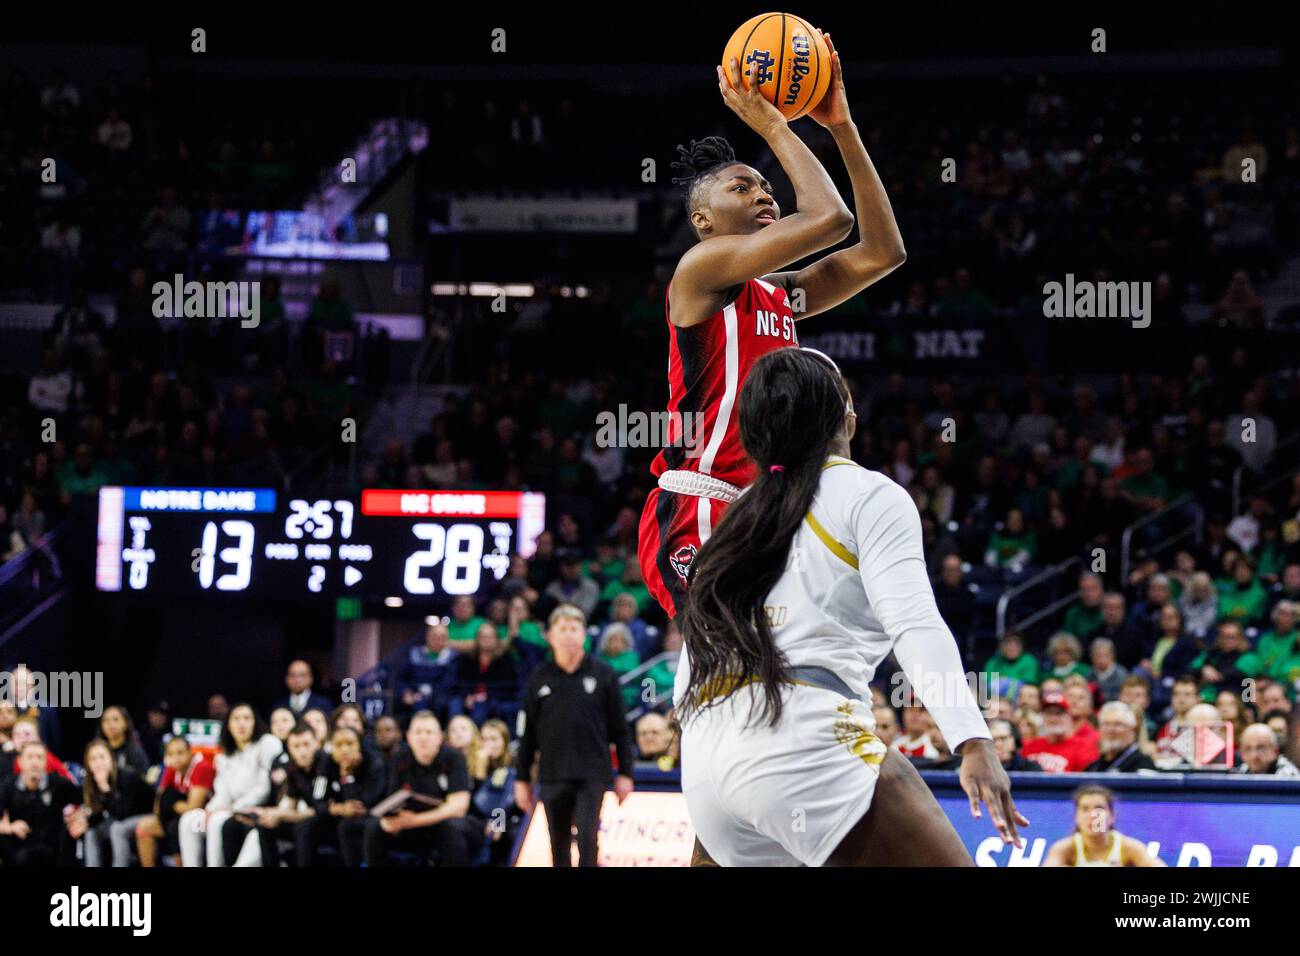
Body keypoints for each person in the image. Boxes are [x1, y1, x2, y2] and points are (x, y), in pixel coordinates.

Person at [676, 349, 1022, 866]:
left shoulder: (737, 518)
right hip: (798, 743)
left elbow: (691, 662)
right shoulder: (868, 493)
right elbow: (915, 624)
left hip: (705, 761)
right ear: (846, 413)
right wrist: (973, 740)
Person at [638, 31, 905, 621]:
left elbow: (883, 252)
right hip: (698, 508)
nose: (766, 194)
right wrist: (774, 126)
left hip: (765, 509)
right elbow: (831, 219)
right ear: (703, 219)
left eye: (765, 186)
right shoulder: (701, 272)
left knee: (772, 684)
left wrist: (841, 126)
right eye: (744, 186)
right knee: (728, 672)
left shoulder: (778, 293)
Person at [515, 604, 637, 867]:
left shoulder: (603, 674)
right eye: (563, 629)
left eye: (574, 629)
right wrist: (521, 778)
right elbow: (527, 735)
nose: (569, 635)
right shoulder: (538, 678)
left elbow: (620, 729)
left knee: (587, 838)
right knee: (557, 844)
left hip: (592, 774)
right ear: (550, 636)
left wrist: (626, 773)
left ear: (584, 635)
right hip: (552, 774)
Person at [362, 711, 478, 867]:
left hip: (445, 823)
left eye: (429, 732)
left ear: (439, 737)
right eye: (418, 732)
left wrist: (414, 821)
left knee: (451, 827)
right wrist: (390, 821)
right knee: (374, 827)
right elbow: (394, 801)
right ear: (409, 737)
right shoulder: (400, 758)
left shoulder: (454, 757)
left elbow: (458, 808)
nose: (423, 737)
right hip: (414, 825)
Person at [178, 703, 281, 867]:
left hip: (253, 808)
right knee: (189, 820)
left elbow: (264, 788)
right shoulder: (225, 753)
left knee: (216, 821)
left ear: (255, 722)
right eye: (236, 719)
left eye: (247, 718)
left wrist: (233, 808)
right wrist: (209, 810)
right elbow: (222, 791)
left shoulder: (266, 743)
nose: (242, 724)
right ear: (228, 725)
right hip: (228, 808)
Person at [135, 736, 214, 867]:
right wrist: (169, 803)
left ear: (190, 752)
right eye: (171, 754)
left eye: (180, 753)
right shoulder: (172, 769)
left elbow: (194, 809)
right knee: (144, 826)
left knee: (176, 826)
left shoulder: (202, 767)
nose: (176, 758)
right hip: (177, 818)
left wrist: (172, 803)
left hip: (202, 819)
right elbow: (159, 803)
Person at [73, 739, 152, 867]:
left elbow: (122, 813)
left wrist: (105, 789)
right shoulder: (91, 783)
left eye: (102, 757)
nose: (98, 763)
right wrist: (85, 823)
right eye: (93, 759)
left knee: (117, 828)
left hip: (146, 817)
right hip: (122, 821)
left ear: (111, 759)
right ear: (88, 764)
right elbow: (97, 815)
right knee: (92, 831)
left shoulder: (127, 776)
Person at [0, 741, 81, 866]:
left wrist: (81, 816)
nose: (35, 762)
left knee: (69, 832)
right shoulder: (8, 786)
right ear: (20, 761)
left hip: (53, 847)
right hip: (19, 846)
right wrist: (10, 828)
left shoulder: (58, 783)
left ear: (46, 762)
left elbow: (85, 800)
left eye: (39, 757)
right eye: (30, 757)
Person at [1043, 785, 1164, 866]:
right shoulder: (1064, 849)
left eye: (1099, 808)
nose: (1093, 815)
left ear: (1112, 816)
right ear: (1076, 817)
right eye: (1085, 809)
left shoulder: (1129, 847)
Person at [1021, 689, 1100, 773]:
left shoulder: (1084, 748)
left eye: (1059, 713)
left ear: (1069, 716)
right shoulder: (1030, 746)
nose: (1053, 719)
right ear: (1043, 717)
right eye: (1049, 713)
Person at [1084, 702, 1156, 772]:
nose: (1111, 730)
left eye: (1118, 724)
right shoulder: (1093, 768)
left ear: (1132, 730)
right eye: (1106, 724)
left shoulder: (1143, 766)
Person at [97, 705, 151, 777]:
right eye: (106, 720)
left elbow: (144, 780)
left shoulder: (136, 751)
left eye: (115, 719)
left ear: (126, 723)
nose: (110, 724)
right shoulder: (98, 751)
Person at [1235, 723, 1300, 777]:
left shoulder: (1288, 776)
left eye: (1261, 748)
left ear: (1275, 751)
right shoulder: (1239, 773)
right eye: (1248, 748)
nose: (1254, 755)